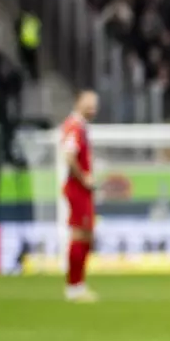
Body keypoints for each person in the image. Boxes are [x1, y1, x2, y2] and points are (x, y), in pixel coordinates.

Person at [61, 88, 98, 302]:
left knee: (87, 236)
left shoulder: (81, 127)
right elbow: (68, 155)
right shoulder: (74, 126)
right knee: (79, 234)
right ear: (78, 102)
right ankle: (74, 287)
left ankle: (78, 284)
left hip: (81, 188)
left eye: (95, 103)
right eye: (89, 103)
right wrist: (84, 177)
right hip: (76, 187)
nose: (93, 107)